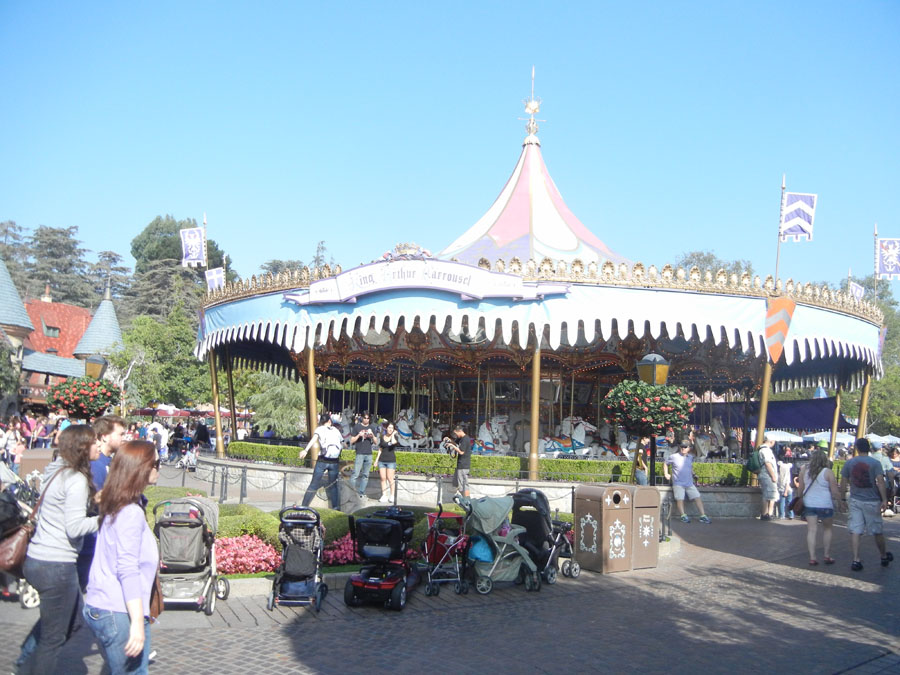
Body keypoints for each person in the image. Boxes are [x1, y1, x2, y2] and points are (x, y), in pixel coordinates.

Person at [16, 425, 100, 674]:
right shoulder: (75, 479)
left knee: (72, 622)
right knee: (52, 640)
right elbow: (74, 527)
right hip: (56, 563)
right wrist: (105, 519)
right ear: (82, 447)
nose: (98, 446)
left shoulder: (56, 472)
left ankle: (26, 666)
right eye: (94, 442)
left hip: (38, 558)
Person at [82, 440, 160, 674]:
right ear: (142, 468)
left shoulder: (120, 502)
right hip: (117, 610)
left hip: (106, 605)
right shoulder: (130, 512)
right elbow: (127, 568)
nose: (159, 468)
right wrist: (137, 622)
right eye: (156, 463)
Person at [77, 415, 128, 589]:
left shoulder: (108, 462)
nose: (124, 438)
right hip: (90, 541)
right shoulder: (96, 465)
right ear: (105, 436)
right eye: (120, 434)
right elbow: (95, 502)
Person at [839, 438, 892, 571]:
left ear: (857, 448)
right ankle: (883, 555)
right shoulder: (875, 463)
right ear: (868, 448)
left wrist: (842, 499)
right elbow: (880, 481)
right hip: (872, 500)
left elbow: (843, 482)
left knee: (856, 530)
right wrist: (884, 499)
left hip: (855, 499)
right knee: (877, 530)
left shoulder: (849, 463)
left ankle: (856, 559)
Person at [797, 449, 841, 565]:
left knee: (811, 530)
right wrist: (841, 502)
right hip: (825, 504)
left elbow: (800, 489)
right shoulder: (828, 472)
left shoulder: (804, 471)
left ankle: (812, 557)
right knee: (827, 529)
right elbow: (835, 490)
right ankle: (826, 555)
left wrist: (799, 498)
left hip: (809, 503)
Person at [300, 413, 343, 509]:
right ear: (329, 421)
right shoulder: (336, 430)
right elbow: (343, 443)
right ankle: (336, 508)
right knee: (333, 486)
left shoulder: (319, 429)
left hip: (323, 460)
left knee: (313, 485)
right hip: (334, 461)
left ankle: (304, 507)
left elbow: (313, 440)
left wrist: (305, 450)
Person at [663, 439, 711, 524]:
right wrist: (666, 473)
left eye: (685, 447)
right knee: (680, 499)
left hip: (689, 482)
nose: (683, 448)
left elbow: (689, 467)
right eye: (681, 446)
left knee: (697, 497)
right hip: (678, 483)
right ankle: (683, 515)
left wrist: (694, 474)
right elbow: (665, 463)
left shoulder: (690, 457)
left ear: (689, 448)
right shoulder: (674, 456)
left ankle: (703, 515)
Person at [349, 411, 378, 499]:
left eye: (368, 418)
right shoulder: (357, 427)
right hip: (360, 453)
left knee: (365, 475)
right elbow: (351, 441)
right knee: (355, 474)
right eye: (365, 418)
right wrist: (359, 435)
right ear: (362, 418)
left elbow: (376, 442)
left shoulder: (372, 428)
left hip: (368, 453)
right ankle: (351, 492)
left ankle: (362, 492)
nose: (366, 420)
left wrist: (372, 435)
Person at [443, 423, 472, 498]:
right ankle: (465, 499)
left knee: (463, 485)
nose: (456, 435)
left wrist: (452, 446)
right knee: (460, 484)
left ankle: (467, 500)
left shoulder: (465, 439)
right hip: (460, 465)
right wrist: (449, 441)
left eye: (456, 433)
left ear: (459, 431)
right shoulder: (461, 438)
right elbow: (456, 444)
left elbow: (461, 452)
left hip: (463, 465)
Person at [373, 421, 400, 503]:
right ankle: (384, 495)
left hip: (391, 460)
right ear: (386, 428)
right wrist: (376, 460)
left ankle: (392, 495)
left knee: (390, 478)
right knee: (383, 478)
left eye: (392, 428)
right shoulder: (382, 437)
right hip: (382, 460)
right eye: (389, 427)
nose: (390, 429)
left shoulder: (395, 437)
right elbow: (380, 449)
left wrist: (393, 434)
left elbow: (392, 443)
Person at [756, 437, 778, 520]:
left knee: (770, 494)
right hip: (767, 475)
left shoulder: (762, 449)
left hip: (765, 475)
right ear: (771, 441)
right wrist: (773, 476)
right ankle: (766, 514)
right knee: (769, 494)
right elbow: (768, 463)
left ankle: (768, 513)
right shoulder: (765, 450)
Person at [776, 450, 794, 519]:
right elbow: (787, 481)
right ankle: (790, 514)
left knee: (782, 503)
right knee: (789, 502)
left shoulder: (779, 470)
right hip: (788, 489)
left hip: (781, 488)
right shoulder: (787, 469)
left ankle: (782, 515)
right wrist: (786, 491)